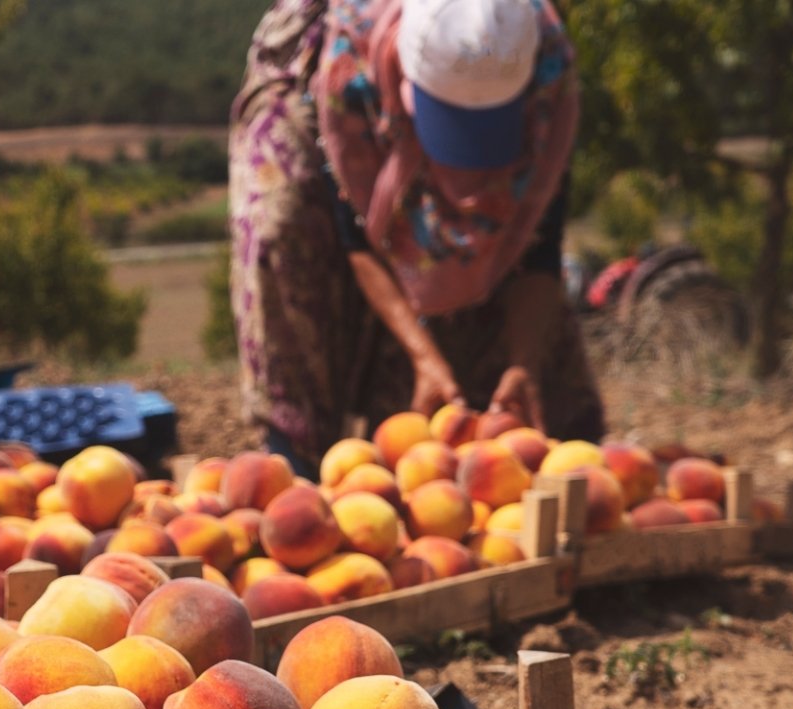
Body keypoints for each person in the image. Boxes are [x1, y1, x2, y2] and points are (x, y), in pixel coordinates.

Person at [228, 0, 606, 480]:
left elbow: (540, 246)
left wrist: (525, 363)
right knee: (280, 223)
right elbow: (357, 240)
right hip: (326, 83)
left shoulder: (546, 76)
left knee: (475, 408)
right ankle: (295, 461)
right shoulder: (348, 77)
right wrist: (424, 356)